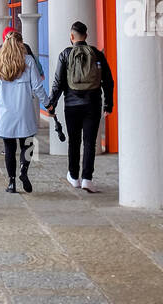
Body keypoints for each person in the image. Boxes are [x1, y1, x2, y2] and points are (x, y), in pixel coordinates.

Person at [46, 20, 113, 191]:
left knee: (74, 141)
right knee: (89, 142)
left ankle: (74, 176)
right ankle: (87, 179)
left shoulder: (65, 55)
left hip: (72, 106)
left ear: (71, 36)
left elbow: (58, 82)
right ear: (86, 36)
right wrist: (108, 104)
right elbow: (108, 81)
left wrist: (51, 103)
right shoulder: (97, 54)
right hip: (92, 104)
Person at [0, 28, 50, 192]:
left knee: (9, 148)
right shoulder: (28, 61)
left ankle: (11, 182)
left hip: (6, 112)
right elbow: (37, 86)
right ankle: (23, 170)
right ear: (20, 44)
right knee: (28, 144)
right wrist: (48, 104)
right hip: (24, 110)